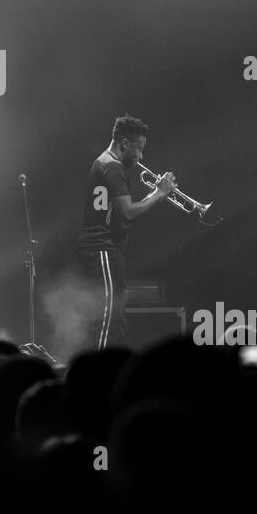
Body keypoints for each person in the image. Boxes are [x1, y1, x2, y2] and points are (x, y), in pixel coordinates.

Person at [75, 115, 177, 352]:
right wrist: (159, 194)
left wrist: (155, 196)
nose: (141, 156)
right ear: (124, 143)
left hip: (105, 250)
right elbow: (127, 213)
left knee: (115, 319)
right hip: (102, 249)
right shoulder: (112, 167)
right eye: (138, 149)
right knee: (108, 320)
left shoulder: (105, 163)